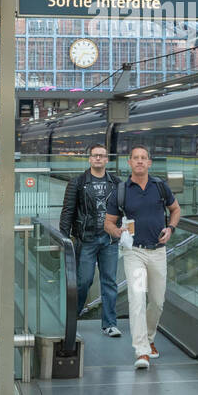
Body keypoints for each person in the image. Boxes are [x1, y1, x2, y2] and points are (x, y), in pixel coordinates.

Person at [104, 145, 180, 370]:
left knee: (157, 301)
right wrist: (117, 232)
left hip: (157, 252)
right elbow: (108, 222)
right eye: (135, 158)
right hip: (134, 252)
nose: (139, 161)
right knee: (137, 299)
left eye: (143, 158)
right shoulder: (121, 190)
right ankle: (142, 351)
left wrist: (171, 229)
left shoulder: (160, 187)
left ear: (149, 163)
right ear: (129, 163)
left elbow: (175, 210)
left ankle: (149, 337)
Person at [59, 144, 123, 338]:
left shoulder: (117, 183)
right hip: (86, 239)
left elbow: (124, 209)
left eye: (101, 156)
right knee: (83, 282)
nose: (98, 159)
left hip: (109, 240)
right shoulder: (77, 183)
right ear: (89, 159)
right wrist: (63, 238)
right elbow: (68, 211)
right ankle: (71, 319)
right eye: (95, 156)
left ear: (107, 160)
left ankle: (109, 324)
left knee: (109, 282)